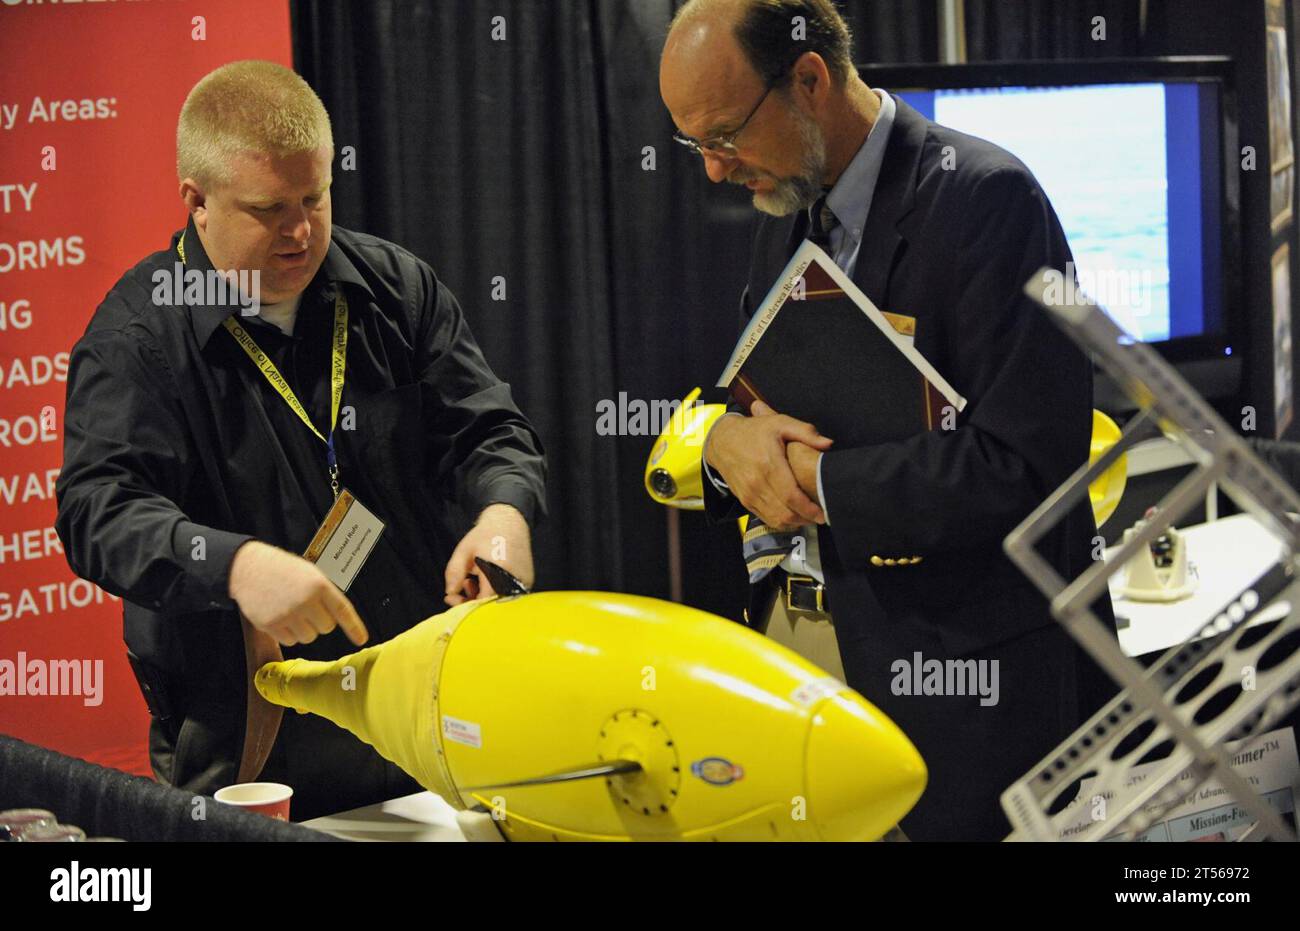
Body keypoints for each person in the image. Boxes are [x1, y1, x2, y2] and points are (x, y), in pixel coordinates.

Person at [660, 0, 1117, 840]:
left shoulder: (989, 200)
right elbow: (755, 394)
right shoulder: (789, 212)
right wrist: (722, 440)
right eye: (698, 146)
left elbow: (1028, 467)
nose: (714, 172)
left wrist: (821, 483)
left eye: (723, 136)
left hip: (993, 693)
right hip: (854, 666)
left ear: (808, 79)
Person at [55, 60, 547, 821]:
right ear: (197, 204)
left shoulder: (394, 290)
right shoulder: (137, 340)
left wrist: (502, 518)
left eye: (315, 197)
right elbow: (96, 512)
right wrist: (236, 566)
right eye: (269, 209)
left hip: (424, 727)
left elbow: (491, 430)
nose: (301, 232)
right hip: (254, 748)